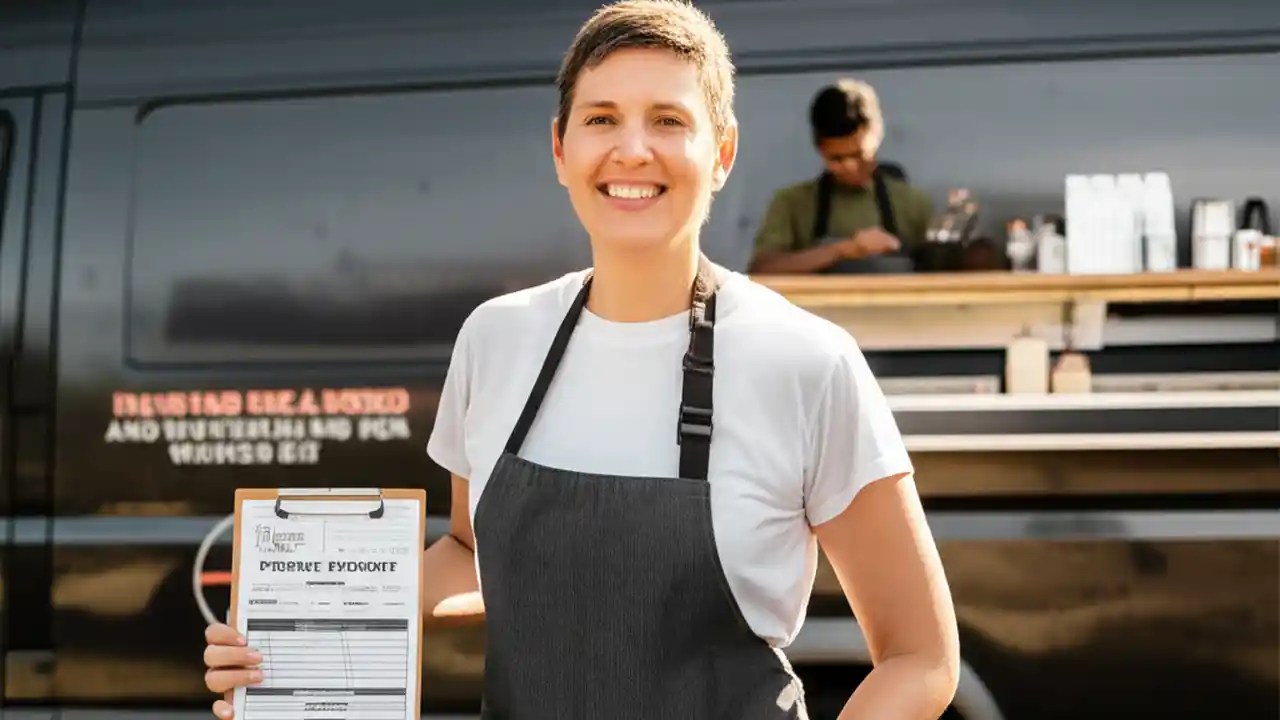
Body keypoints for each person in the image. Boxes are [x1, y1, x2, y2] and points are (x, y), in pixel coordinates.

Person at [202, 2, 959, 718]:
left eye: (668, 119)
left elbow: (921, 656)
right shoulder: (495, 340)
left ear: (721, 152)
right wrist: (300, 636)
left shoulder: (805, 362)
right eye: (602, 119)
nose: (633, 148)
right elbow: (471, 553)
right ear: (561, 149)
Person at [749, 79, 935, 274]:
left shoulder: (914, 204)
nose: (849, 166)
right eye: (836, 159)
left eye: (858, 155)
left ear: (877, 136)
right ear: (819, 148)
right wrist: (843, 250)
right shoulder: (791, 204)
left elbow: (947, 272)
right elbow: (762, 269)